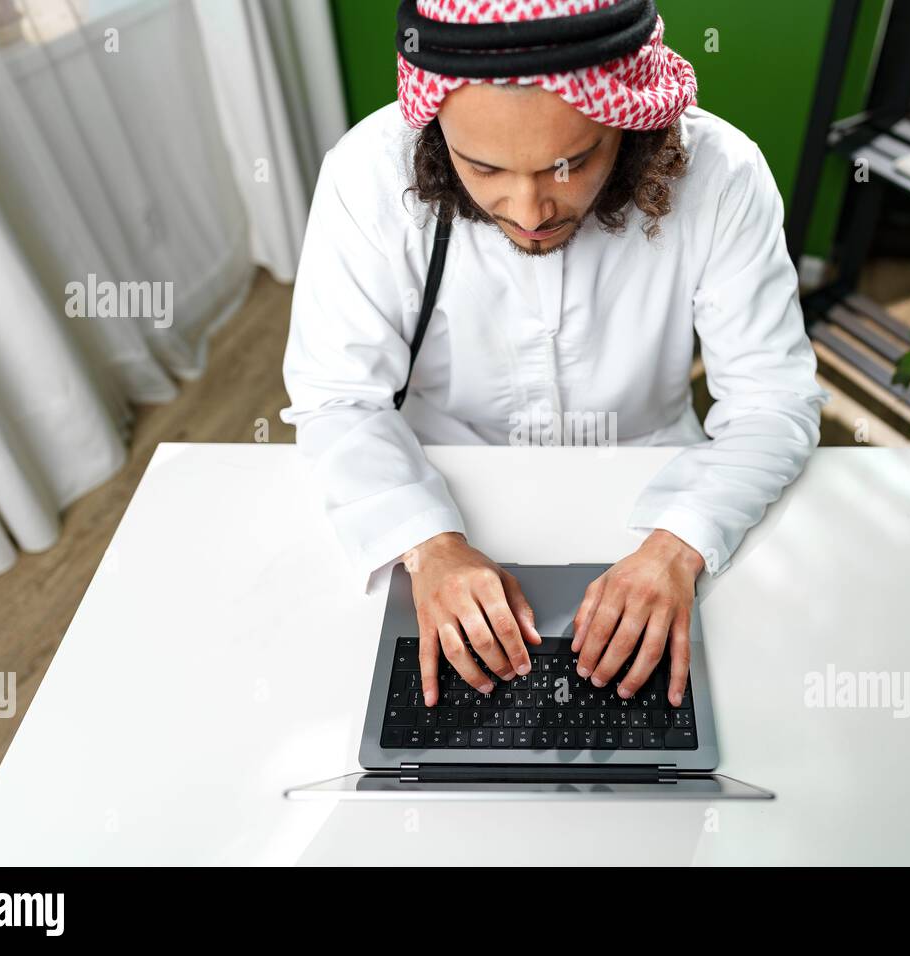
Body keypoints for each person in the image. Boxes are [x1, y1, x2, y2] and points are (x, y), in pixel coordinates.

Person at [281, 0, 830, 713]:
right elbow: (337, 399)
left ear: (629, 124)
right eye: (482, 167)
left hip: (662, 501)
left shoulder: (724, 175)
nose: (530, 210)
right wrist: (428, 543)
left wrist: (678, 545)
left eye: (570, 164)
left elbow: (774, 402)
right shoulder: (364, 176)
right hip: (436, 493)